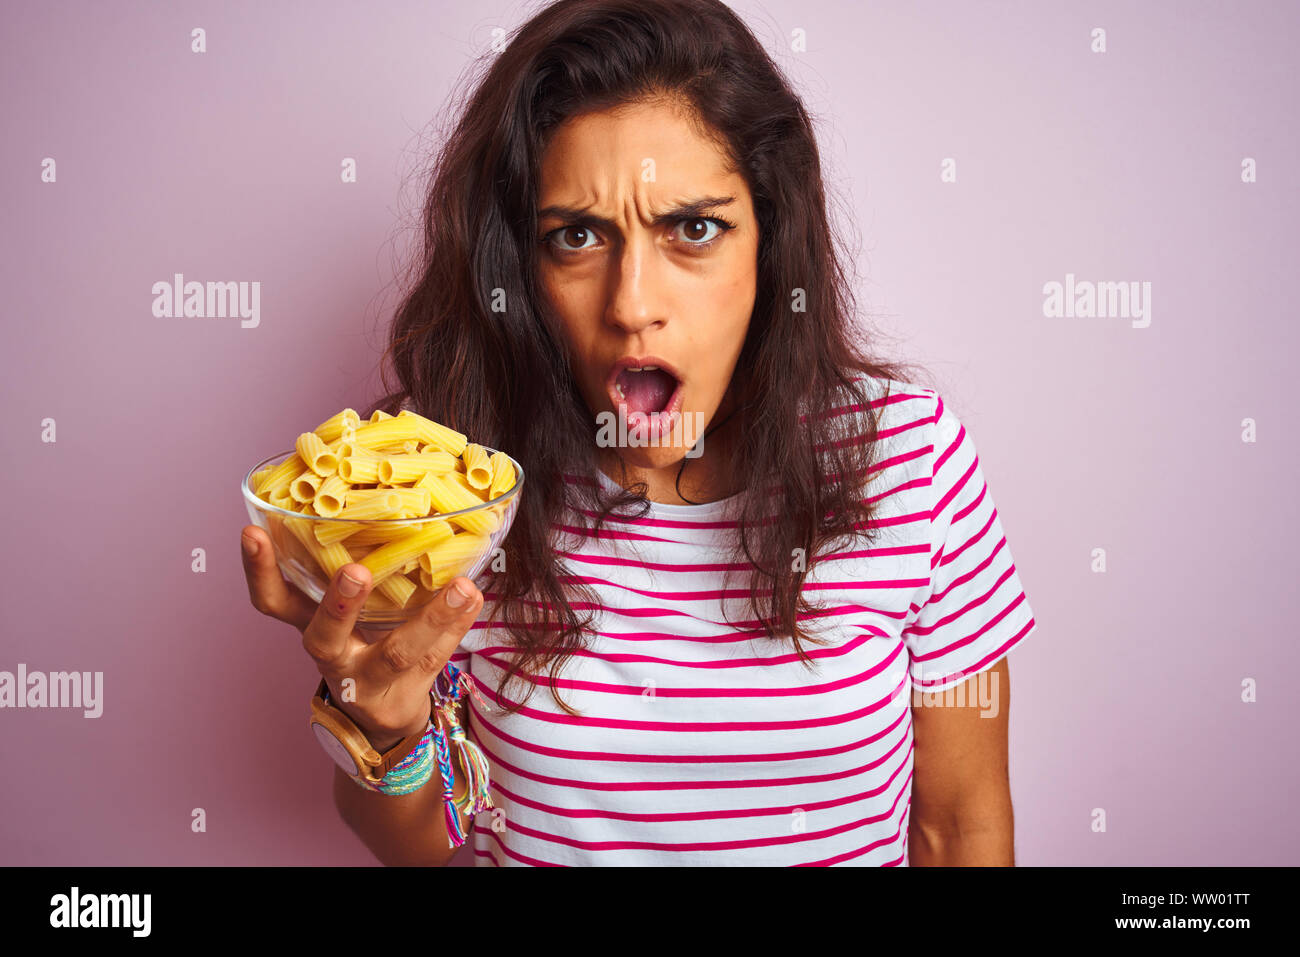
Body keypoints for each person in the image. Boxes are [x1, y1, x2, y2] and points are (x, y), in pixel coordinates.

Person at [241, 0, 1038, 866]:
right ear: (521, 264)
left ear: (772, 244)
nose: (632, 305)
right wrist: (380, 725)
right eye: (577, 236)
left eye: (694, 228)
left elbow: (959, 828)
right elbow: (424, 850)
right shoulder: (459, 505)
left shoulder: (911, 462)